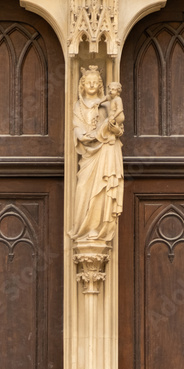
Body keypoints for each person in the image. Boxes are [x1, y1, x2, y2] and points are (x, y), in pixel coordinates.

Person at [70, 67, 124, 243]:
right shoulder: (78, 105)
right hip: (88, 153)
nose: (92, 85)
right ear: (82, 85)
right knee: (83, 187)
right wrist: (81, 134)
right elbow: (77, 125)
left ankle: (97, 228)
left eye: (95, 82)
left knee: (102, 187)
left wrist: (111, 127)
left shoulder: (107, 104)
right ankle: (83, 229)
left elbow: (118, 128)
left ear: (100, 85)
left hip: (106, 150)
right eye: (88, 82)